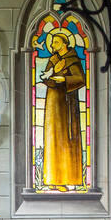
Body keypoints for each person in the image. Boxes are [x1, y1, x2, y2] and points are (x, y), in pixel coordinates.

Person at [40, 28, 86, 186]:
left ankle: (71, 179)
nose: (53, 44)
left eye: (56, 42)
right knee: (52, 135)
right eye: (52, 42)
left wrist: (64, 80)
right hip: (53, 100)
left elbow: (80, 78)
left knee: (67, 136)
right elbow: (47, 76)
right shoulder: (53, 59)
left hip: (67, 102)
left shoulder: (72, 58)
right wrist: (49, 79)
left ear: (64, 43)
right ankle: (53, 179)